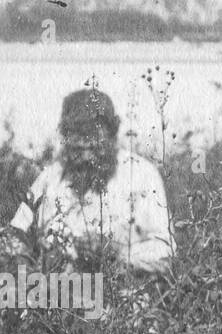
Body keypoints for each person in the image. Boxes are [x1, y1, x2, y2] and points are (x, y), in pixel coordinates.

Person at [4, 88, 174, 276]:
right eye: (76, 134)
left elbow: (165, 250)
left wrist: (116, 253)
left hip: (124, 296)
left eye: (92, 134)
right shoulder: (48, 179)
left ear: (112, 132)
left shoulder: (141, 174)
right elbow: (14, 237)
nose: (85, 147)